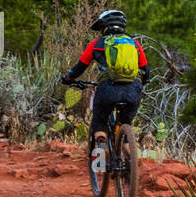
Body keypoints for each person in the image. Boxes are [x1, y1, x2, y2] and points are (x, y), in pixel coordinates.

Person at [60, 9, 148, 149]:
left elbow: (79, 68)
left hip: (107, 89)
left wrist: (68, 78)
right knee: (126, 122)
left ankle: (101, 153)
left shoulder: (96, 44)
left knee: (99, 120)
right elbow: (146, 70)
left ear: (105, 27)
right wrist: (141, 84)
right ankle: (129, 158)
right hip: (133, 89)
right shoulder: (134, 44)